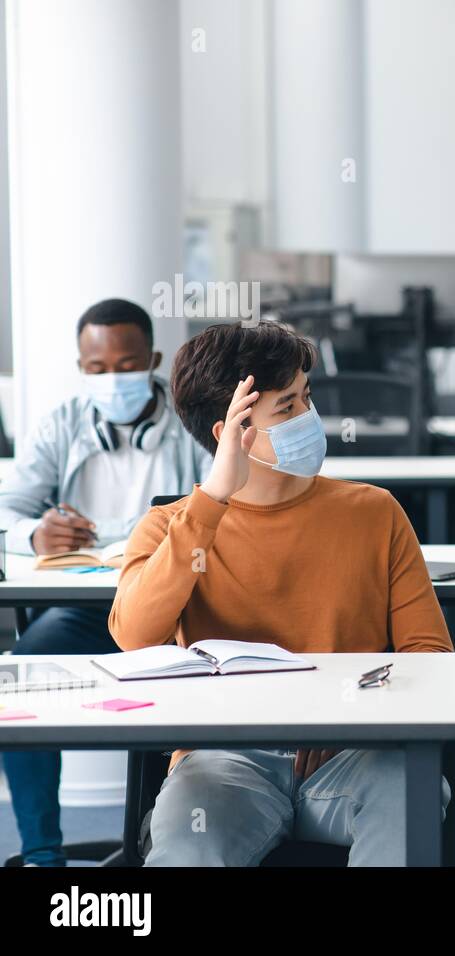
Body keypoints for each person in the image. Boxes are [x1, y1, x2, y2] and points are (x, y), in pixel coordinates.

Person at [108, 319, 453, 866]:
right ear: (231, 431)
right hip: (225, 761)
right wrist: (212, 501)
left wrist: (345, 718)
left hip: (352, 755)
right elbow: (134, 636)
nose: (309, 418)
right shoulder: (169, 527)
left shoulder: (374, 511)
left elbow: (431, 658)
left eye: (305, 398)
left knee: (412, 792)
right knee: (188, 846)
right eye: (287, 407)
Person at [0, 298, 210, 867]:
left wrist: (126, 532)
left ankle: (156, 846)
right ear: (81, 366)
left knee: (192, 694)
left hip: (173, 613)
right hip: (84, 609)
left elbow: (223, 508)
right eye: (96, 368)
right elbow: (8, 509)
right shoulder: (62, 423)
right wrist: (35, 534)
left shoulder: (193, 424)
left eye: (126, 365)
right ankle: (43, 852)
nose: (112, 379)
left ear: (155, 360)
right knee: (16, 679)